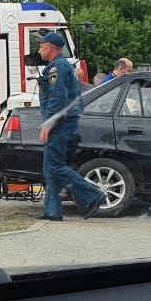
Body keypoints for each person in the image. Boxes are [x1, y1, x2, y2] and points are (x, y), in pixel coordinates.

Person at [35, 32, 105, 220]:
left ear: (49, 47)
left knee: (55, 166)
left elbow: (58, 99)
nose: (39, 49)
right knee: (51, 167)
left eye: (41, 45)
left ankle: (93, 194)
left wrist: (49, 123)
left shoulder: (57, 67)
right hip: (65, 123)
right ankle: (52, 211)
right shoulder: (60, 66)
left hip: (61, 125)